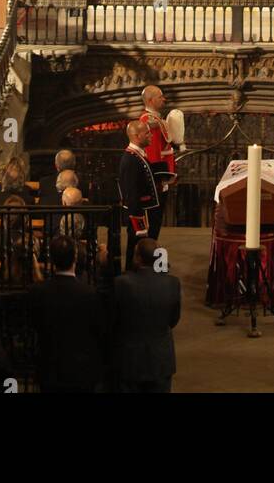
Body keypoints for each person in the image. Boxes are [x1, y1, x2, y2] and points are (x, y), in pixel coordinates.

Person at [28, 235, 107, 393]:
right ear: (75, 258)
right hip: (81, 369)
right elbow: (100, 331)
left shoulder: (38, 292)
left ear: (52, 259)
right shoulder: (90, 293)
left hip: (49, 367)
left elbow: (34, 325)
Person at [112, 237, 181, 393]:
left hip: (130, 359)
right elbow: (173, 319)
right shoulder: (172, 283)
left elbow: (114, 318)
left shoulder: (121, 283)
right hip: (161, 360)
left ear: (138, 258)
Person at [118, 119, 159, 269]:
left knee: (139, 248)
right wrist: (138, 222)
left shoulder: (137, 155)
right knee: (134, 248)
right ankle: (132, 276)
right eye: (147, 133)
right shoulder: (130, 159)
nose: (151, 136)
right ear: (136, 136)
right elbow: (131, 193)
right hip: (138, 214)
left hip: (143, 212)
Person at [139, 85, 177, 238]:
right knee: (153, 222)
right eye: (160, 97)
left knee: (157, 221)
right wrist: (159, 179)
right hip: (157, 180)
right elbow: (153, 154)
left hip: (162, 177)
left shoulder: (155, 119)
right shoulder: (148, 121)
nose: (164, 99)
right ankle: (149, 251)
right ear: (150, 100)